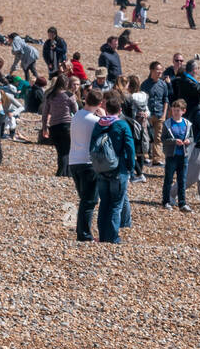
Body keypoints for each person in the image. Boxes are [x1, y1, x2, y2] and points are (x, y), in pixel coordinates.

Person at [91, 90, 136, 243]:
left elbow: (92, 145)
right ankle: (113, 237)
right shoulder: (122, 125)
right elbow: (130, 148)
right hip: (118, 169)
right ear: (120, 110)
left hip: (102, 169)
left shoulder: (99, 124)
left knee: (104, 203)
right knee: (116, 205)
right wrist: (131, 167)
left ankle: (103, 236)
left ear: (107, 109)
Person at [67, 88, 103, 241]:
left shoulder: (77, 116)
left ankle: (82, 231)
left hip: (74, 160)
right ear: (100, 103)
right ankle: (84, 234)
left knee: (84, 199)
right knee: (89, 201)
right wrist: (104, 116)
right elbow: (105, 132)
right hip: (88, 162)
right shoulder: (95, 121)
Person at [41, 73, 79, 177]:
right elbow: (76, 112)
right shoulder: (70, 95)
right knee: (68, 150)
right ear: (66, 84)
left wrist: (44, 128)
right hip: (67, 125)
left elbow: (45, 114)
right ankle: (66, 173)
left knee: (60, 151)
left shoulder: (50, 96)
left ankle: (62, 171)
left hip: (54, 126)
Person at [160, 98, 193, 212]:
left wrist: (188, 140)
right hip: (171, 156)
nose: (175, 112)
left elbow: (192, 137)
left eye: (178, 110)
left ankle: (182, 203)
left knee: (182, 180)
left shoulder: (187, 124)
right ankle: (165, 201)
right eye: (174, 110)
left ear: (183, 111)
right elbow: (163, 139)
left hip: (183, 155)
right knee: (168, 179)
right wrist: (174, 141)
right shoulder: (167, 123)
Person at [140, 61, 170, 166]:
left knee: (158, 137)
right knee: (146, 136)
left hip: (160, 114)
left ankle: (157, 158)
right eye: (158, 69)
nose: (160, 72)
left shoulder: (163, 84)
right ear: (151, 70)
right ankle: (145, 156)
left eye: (161, 69)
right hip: (148, 115)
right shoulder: (145, 84)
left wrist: (164, 114)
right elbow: (142, 100)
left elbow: (166, 100)